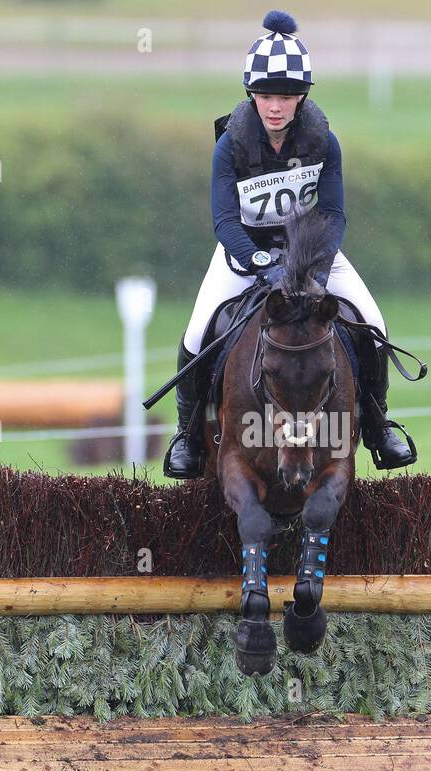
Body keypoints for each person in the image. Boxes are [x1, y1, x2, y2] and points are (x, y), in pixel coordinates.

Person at [163, 9, 417, 479]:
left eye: (285, 96)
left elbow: (335, 214)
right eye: (264, 95)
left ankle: (379, 426)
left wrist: (315, 270)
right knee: (197, 335)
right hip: (244, 252)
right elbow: (223, 221)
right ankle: (187, 435)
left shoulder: (323, 140)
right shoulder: (231, 145)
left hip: (313, 253)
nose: (274, 106)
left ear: (300, 98)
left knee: (374, 324)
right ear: (251, 95)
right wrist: (259, 262)